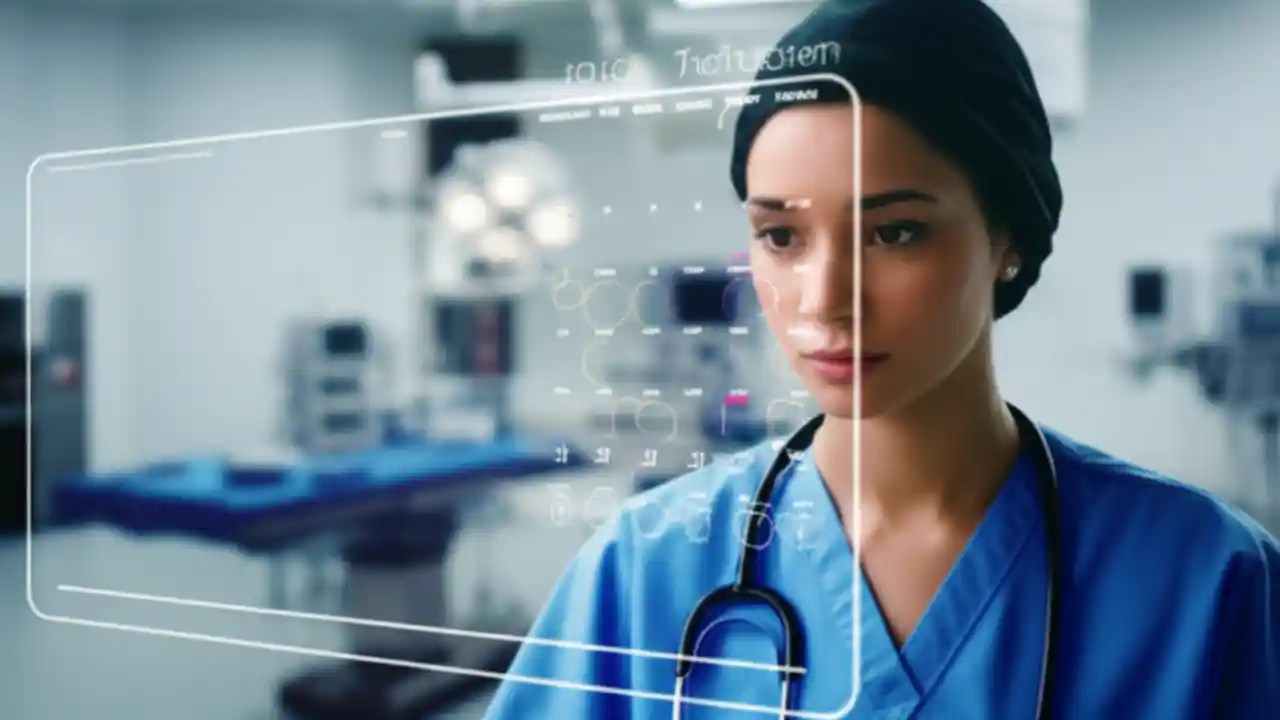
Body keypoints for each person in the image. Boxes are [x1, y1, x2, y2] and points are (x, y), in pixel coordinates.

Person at [483, 0, 1280, 717]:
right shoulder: (648, 568)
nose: (825, 299)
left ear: (1007, 235)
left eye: (894, 231)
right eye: (781, 236)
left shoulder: (1206, 582)